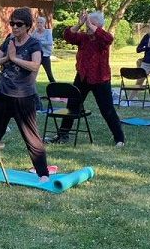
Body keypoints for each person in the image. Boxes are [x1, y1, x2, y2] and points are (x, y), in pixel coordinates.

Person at [0, 7, 51, 181]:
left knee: (31, 136)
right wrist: (7, 58)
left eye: (19, 24)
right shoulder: (9, 41)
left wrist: (15, 59)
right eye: (12, 23)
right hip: (2, 95)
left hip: (24, 97)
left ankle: (43, 173)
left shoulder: (34, 44)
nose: (14, 27)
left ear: (28, 26)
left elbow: (35, 66)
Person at [53, 11, 126, 147]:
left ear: (99, 25)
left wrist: (91, 25)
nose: (88, 26)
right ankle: (62, 135)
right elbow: (68, 36)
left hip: (100, 78)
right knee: (72, 106)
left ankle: (119, 138)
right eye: (88, 23)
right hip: (82, 77)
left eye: (91, 23)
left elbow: (108, 39)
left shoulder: (103, 38)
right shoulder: (83, 37)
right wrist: (79, 24)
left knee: (107, 109)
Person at [33, 16, 56, 83]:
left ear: (44, 24)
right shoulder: (35, 32)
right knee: (33, 72)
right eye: (38, 22)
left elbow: (50, 42)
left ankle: (55, 87)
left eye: (41, 22)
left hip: (45, 56)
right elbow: (30, 40)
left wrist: (38, 42)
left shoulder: (48, 32)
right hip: (37, 55)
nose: (39, 24)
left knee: (49, 74)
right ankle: (30, 87)